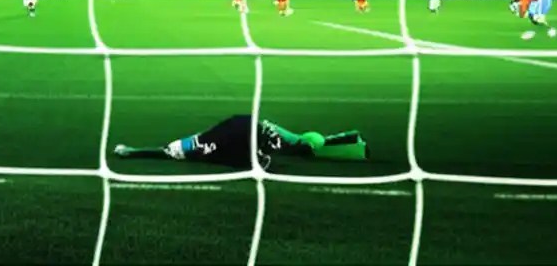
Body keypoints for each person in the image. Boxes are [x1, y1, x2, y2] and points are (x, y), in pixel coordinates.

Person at [113, 114, 368, 170]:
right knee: (301, 145)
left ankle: (347, 143)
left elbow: (164, 152)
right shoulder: (200, 147)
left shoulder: (198, 147)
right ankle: (349, 143)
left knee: (301, 146)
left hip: (250, 129)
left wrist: (132, 152)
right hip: (251, 128)